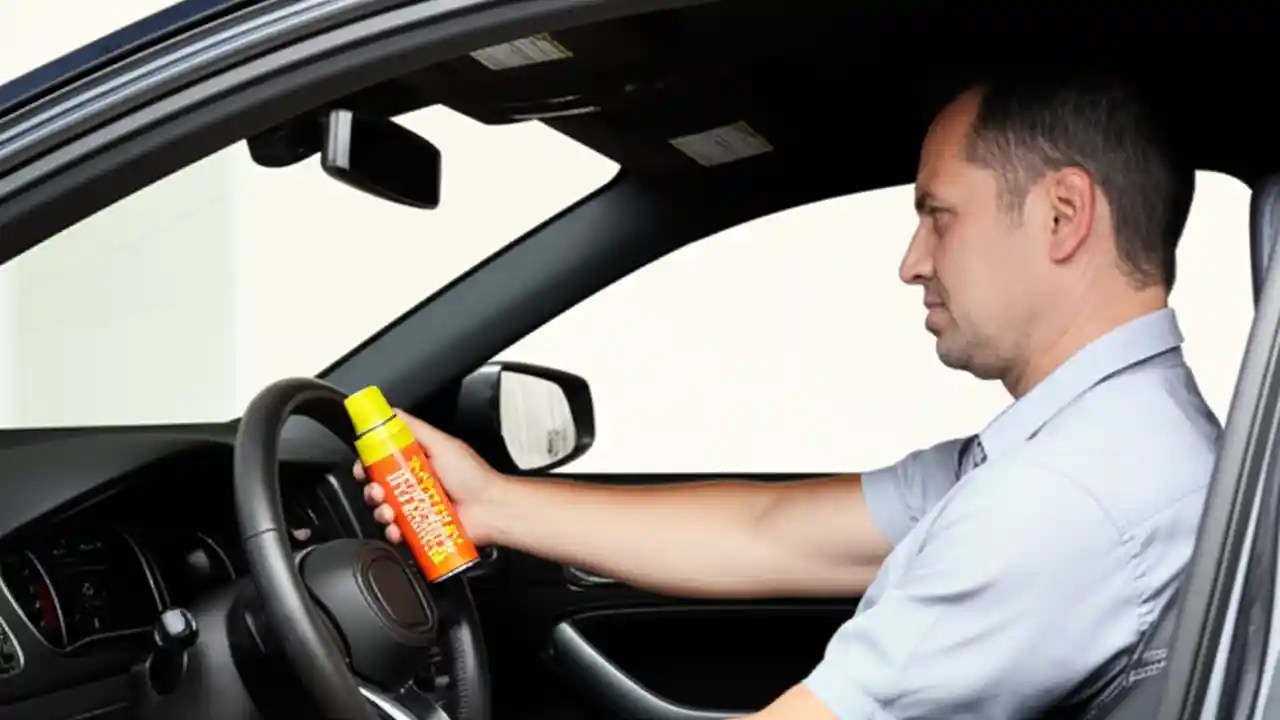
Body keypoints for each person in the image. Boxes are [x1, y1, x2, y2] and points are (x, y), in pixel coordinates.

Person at [352, 73, 1221, 719]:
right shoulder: (1094, 442)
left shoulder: (1066, 498)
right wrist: (494, 504)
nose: (913, 261)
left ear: (1064, 216)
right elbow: (766, 533)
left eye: (940, 215)